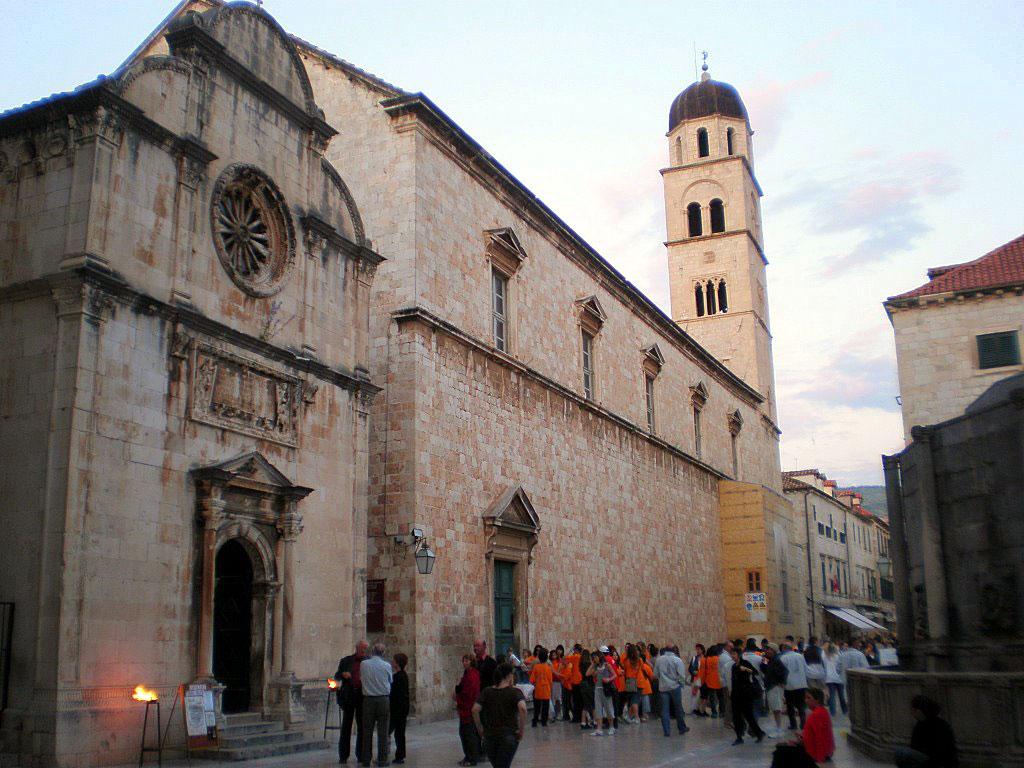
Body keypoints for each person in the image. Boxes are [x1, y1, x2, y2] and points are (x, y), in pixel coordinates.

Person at [473, 663, 526, 768]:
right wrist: (521, 731)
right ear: (508, 676)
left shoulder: (487, 691)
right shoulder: (515, 692)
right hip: (508, 736)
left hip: (489, 737)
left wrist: (480, 729)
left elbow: (475, 709)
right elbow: (523, 708)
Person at [770, 688, 834, 768]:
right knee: (782, 749)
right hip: (821, 750)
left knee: (780, 752)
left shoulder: (816, 715)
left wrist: (801, 741)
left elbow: (819, 737)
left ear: (817, 700)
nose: (806, 700)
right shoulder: (822, 712)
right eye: (806, 698)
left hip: (815, 752)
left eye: (809, 698)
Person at [894, 695, 958, 768]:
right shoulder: (920, 724)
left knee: (902, 753)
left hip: (937, 761)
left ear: (918, 711)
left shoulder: (939, 725)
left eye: (912, 709)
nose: (911, 712)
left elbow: (942, 750)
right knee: (902, 753)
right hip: (928, 758)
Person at [359, 642, 393, 768]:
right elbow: (390, 681)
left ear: (372, 652)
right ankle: (382, 760)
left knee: (367, 731)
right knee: (383, 731)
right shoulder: (386, 665)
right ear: (383, 653)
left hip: (368, 700)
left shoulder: (364, 664)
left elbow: (362, 678)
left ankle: (366, 760)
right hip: (383, 699)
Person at [335, 639, 368, 764]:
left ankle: (360, 754)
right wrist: (343, 676)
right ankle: (343, 755)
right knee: (346, 727)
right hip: (349, 696)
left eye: (365, 649)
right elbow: (337, 677)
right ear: (357, 648)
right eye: (362, 649)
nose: (363, 651)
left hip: (362, 696)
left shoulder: (368, 662)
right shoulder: (346, 661)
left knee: (362, 727)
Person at [728, 647, 765, 745]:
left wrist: (746, 669)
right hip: (736, 694)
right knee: (736, 717)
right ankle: (739, 737)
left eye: (734, 654)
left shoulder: (745, 663)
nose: (732, 656)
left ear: (739, 654)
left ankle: (759, 733)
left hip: (745, 694)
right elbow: (733, 681)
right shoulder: (733, 666)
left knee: (749, 716)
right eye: (731, 654)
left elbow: (754, 672)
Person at [653, 645, 690, 737]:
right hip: (675, 687)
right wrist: (681, 685)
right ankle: (681, 728)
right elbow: (681, 676)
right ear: (673, 650)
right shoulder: (678, 660)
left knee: (665, 710)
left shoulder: (659, 660)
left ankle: (666, 731)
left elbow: (655, 675)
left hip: (663, 687)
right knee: (678, 708)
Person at [455, 654, 482, 767]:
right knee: (464, 733)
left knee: (469, 734)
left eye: (467, 660)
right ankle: (468, 756)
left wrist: (458, 696)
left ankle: (472, 758)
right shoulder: (467, 674)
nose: (464, 663)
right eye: (463, 660)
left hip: (469, 708)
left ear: (471, 661)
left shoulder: (473, 675)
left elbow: (469, 692)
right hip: (464, 708)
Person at [779, 642, 809, 730]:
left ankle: (793, 724)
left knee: (790, 706)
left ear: (784, 649)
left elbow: (782, 672)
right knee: (801, 706)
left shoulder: (783, 658)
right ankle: (803, 723)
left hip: (789, 685)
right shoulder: (800, 656)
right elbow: (805, 668)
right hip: (801, 684)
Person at [589, 649, 616, 735]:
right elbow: (587, 674)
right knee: (598, 708)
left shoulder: (607, 665)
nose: (594, 659)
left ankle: (612, 727)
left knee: (608, 707)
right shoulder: (596, 666)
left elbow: (615, 675)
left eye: (595, 657)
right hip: (597, 689)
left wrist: (609, 679)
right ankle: (599, 729)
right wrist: (593, 664)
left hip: (606, 689)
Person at [388, 653, 409, 764]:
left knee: (395, 732)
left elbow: (395, 694)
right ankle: (400, 755)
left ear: (397, 663)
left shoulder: (398, 677)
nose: (392, 662)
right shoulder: (403, 675)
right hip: (401, 709)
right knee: (399, 733)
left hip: (397, 709)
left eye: (394, 660)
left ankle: (398, 755)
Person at [763, 643, 787, 735]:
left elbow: (784, 672)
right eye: (767, 649)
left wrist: (781, 683)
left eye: (769, 649)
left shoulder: (776, 660)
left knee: (776, 708)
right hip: (771, 686)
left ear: (774, 650)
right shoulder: (770, 660)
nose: (767, 651)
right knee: (774, 708)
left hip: (774, 687)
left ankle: (779, 728)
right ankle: (778, 727)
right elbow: (765, 669)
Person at [529, 647, 553, 727]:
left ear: (539, 657)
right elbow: (550, 680)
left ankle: (535, 722)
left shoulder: (536, 667)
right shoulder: (548, 668)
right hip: (546, 689)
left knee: (537, 708)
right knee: (545, 707)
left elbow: (532, 680)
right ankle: (544, 722)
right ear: (547, 658)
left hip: (538, 690)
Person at [822, 642, 846, 716]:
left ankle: (833, 712)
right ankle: (845, 710)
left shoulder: (824, 657)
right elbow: (841, 667)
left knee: (831, 696)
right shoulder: (838, 656)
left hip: (829, 679)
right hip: (839, 678)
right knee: (841, 696)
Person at [700, 644, 724, 718]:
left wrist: (702, 681)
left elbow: (703, 672)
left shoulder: (705, 659)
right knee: (721, 697)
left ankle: (714, 713)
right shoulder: (720, 659)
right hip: (719, 681)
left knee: (712, 698)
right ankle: (722, 712)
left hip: (709, 681)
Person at [719, 640, 735, 729]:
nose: (732, 649)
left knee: (728, 702)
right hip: (727, 684)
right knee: (729, 703)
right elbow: (728, 672)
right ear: (726, 647)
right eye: (731, 647)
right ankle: (728, 721)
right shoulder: (726, 658)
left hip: (724, 683)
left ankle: (729, 720)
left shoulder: (724, 656)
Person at [688, 644, 706, 716]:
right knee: (694, 694)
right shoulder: (694, 658)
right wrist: (693, 672)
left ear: (702, 650)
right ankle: (693, 709)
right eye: (697, 649)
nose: (697, 651)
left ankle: (701, 710)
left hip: (704, 679)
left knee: (702, 695)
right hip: (696, 679)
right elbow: (690, 668)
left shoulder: (705, 658)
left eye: (699, 649)